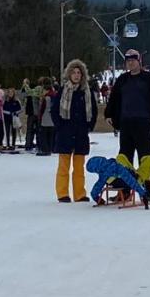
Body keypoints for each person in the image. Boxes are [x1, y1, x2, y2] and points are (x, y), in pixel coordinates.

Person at [105, 49, 150, 204]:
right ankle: (126, 190)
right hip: (126, 124)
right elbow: (114, 99)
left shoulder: (149, 78)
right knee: (124, 158)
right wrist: (109, 115)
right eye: (128, 61)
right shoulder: (122, 80)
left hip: (144, 124)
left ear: (139, 61)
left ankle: (147, 188)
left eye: (133, 60)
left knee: (146, 157)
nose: (130, 63)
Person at [51, 59, 98, 203]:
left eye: (79, 73)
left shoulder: (87, 92)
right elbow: (54, 110)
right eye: (74, 72)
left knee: (79, 167)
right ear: (69, 74)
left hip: (81, 134)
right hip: (65, 133)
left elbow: (94, 111)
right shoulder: (62, 90)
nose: (76, 75)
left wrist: (89, 126)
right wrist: (60, 126)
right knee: (64, 166)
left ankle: (79, 193)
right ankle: (62, 193)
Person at [36, 78, 57, 156]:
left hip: (45, 117)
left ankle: (45, 149)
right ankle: (51, 148)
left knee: (43, 134)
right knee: (51, 134)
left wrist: (40, 117)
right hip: (53, 118)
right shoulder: (54, 94)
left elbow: (42, 108)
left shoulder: (46, 97)